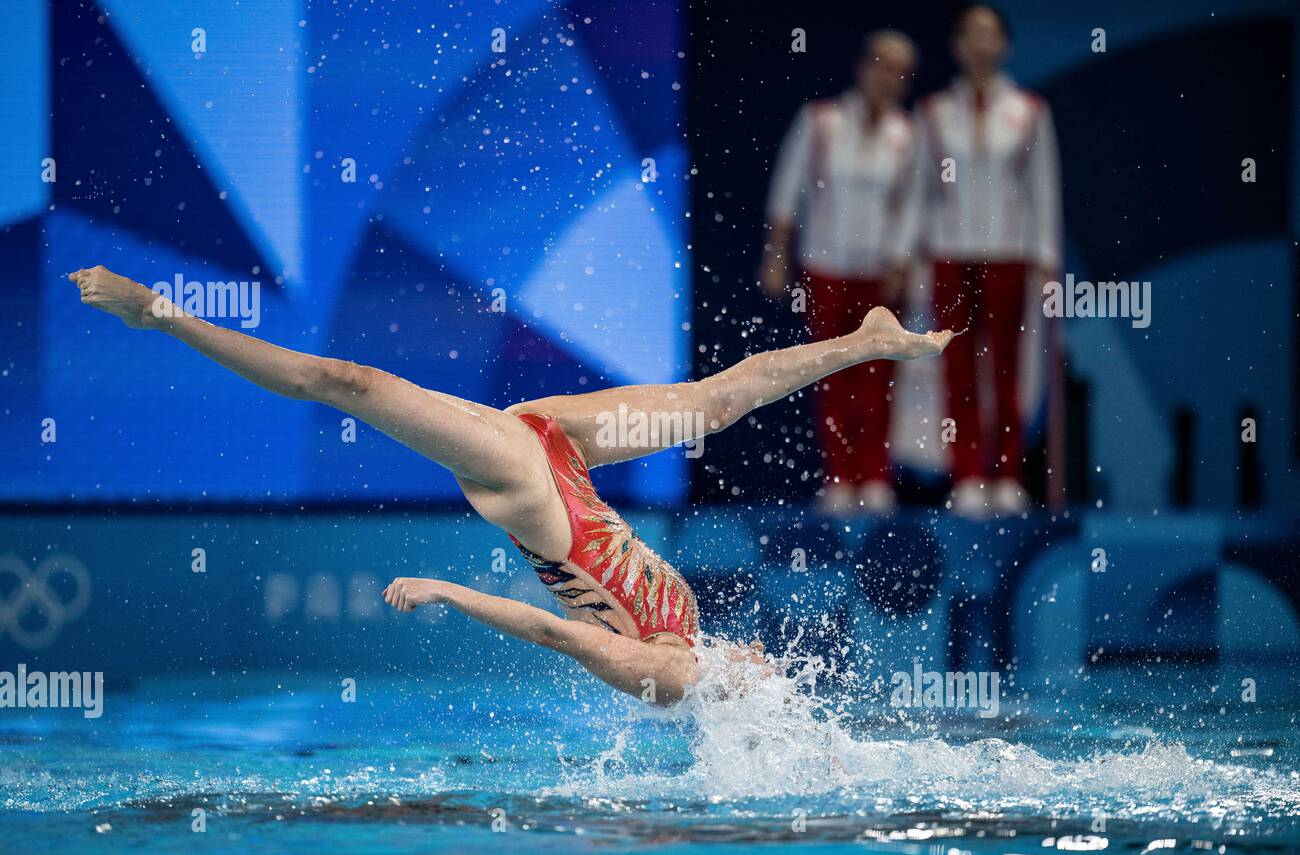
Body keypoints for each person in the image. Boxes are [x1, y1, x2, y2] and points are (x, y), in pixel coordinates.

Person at [68, 265, 952, 704]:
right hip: (560, 448)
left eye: (763, 680)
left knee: (345, 383)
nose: (767, 666)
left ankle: (156, 310)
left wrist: (449, 590)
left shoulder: (667, 677)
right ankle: (867, 340)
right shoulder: (696, 632)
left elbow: (553, 633)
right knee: (711, 407)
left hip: (529, 487)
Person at [761, 30, 922, 515]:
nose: (888, 77)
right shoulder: (820, 121)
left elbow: (912, 206)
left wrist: (901, 262)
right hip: (825, 267)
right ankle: (839, 475)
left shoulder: (909, 135)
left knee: (877, 376)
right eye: (882, 64)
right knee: (831, 374)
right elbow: (787, 193)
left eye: (900, 70)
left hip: (880, 272)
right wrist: (775, 257)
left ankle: (873, 476)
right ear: (863, 66)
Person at [913, 4, 1062, 518]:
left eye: (990, 35)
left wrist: (1045, 258)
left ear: (1005, 45)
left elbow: (1043, 187)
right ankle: (968, 473)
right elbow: (919, 190)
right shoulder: (933, 113)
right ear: (956, 46)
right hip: (950, 252)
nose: (980, 44)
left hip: (1009, 253)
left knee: (1005, 368)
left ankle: (1006, 472)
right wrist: (911, 255)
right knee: (955, 368)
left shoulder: (1029, 111)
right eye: (970, 34)